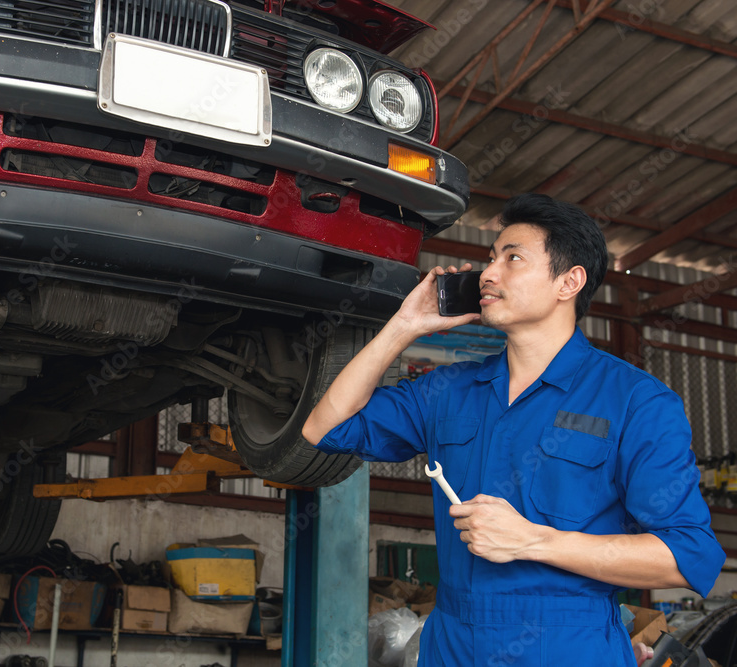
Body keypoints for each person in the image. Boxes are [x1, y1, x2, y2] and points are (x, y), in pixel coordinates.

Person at [302, 193, 725, 666]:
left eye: (513, 257)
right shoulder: (450, 389)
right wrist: (402, 327)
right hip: (453, 645)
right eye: (489, 258)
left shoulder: (635, 401)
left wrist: (532, 540)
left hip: (568, 646)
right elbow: (325, 427)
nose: (488, 273)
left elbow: (688, 555)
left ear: (569, 281)